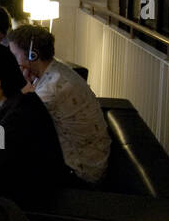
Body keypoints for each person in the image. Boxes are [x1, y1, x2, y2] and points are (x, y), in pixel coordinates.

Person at [0, 43, 67, 213]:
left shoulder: (16, 118)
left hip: (32, 205)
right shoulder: (25, 101)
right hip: (40, 187)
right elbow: (6, 144)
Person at [7, 25, 111, 186]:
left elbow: (17, 125)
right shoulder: (55, 71)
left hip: (81, 172)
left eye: (14, 55)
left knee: (7, 168)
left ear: (33, 55)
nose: (13, 61)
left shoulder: (52, 87)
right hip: (88, 161)